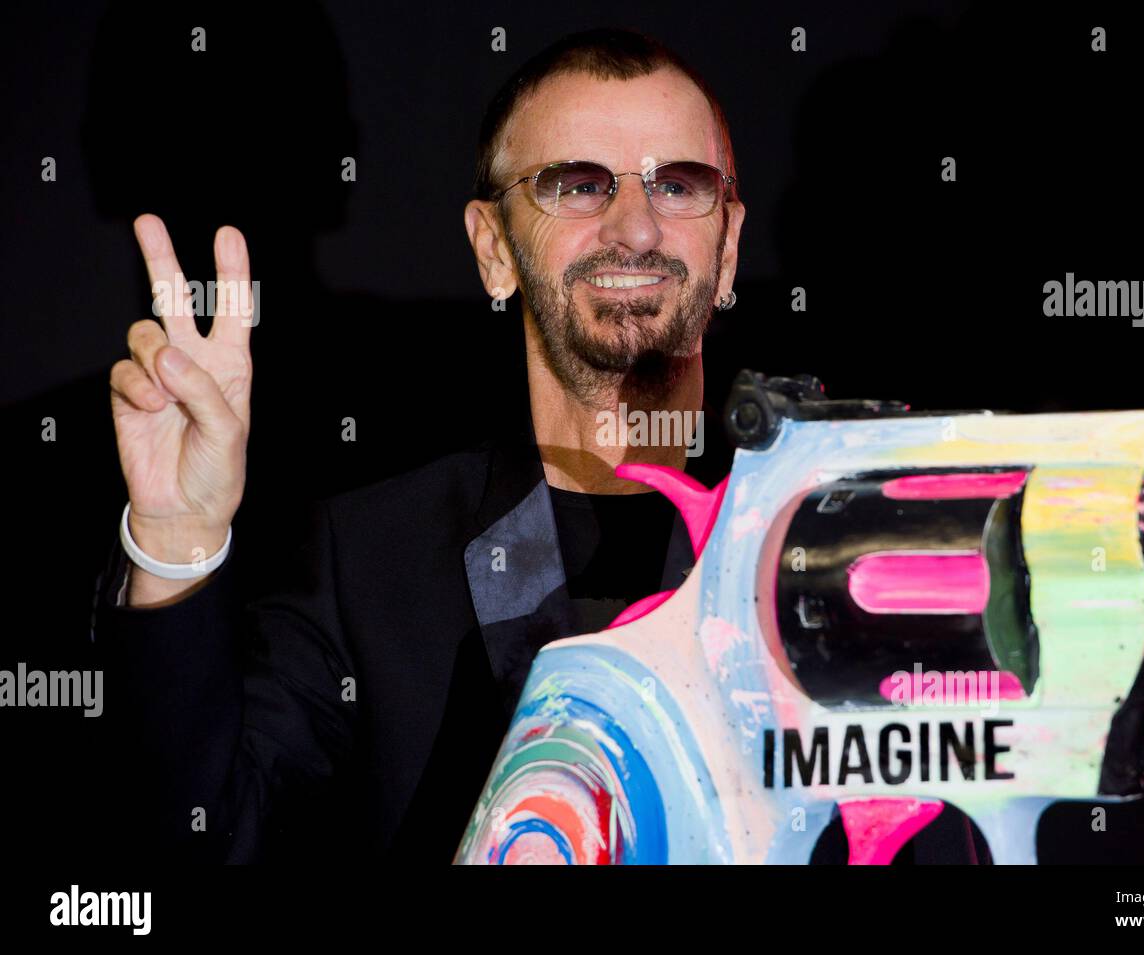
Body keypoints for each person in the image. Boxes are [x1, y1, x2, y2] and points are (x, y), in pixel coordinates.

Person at [91, 26, 981, 864]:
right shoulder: (366, 564)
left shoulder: (849, 542)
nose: (636, 227)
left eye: (676, 184)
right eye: (580, 184)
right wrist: (175, 539)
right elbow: (190, 846)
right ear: (493, 250)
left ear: (730, 241)